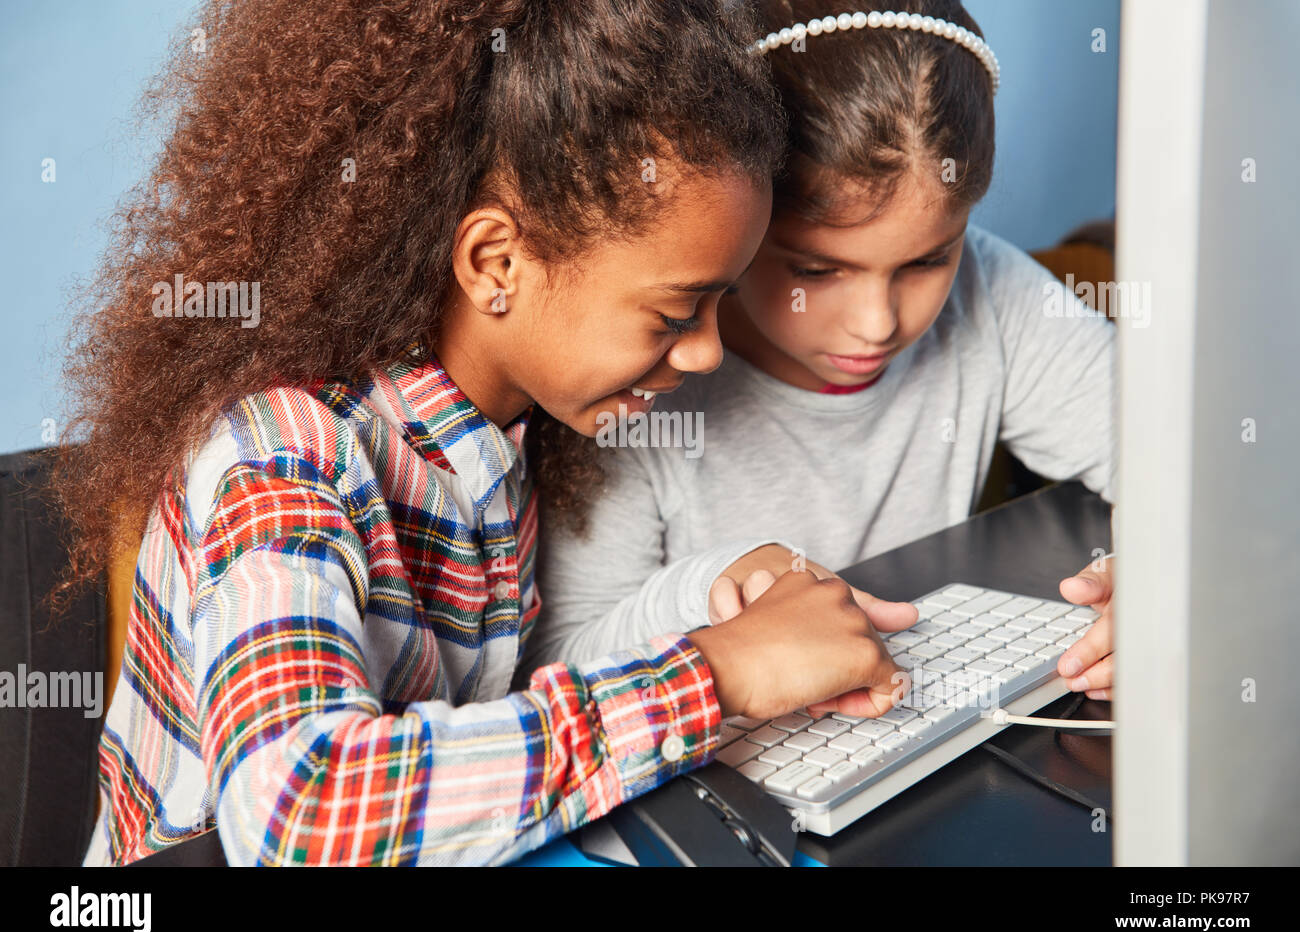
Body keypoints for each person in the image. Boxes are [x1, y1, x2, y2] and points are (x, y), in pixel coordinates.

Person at [54, 0, 909, 867]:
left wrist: (708, 599)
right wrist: (716, 675)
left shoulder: (503, 433)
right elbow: (298, 816)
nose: (707, 352)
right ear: (497, 264)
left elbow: (510, 720)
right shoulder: (281, 453)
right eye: (675, 311)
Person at [530, 0, 1119, 710]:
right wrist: (713, 587)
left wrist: (1157, 572)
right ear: (733, 217)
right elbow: (562, 667)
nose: (877, 324)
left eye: (928, 261)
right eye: (816, 271)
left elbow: (1193, 462)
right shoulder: (635, 379)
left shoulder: (991, 295)